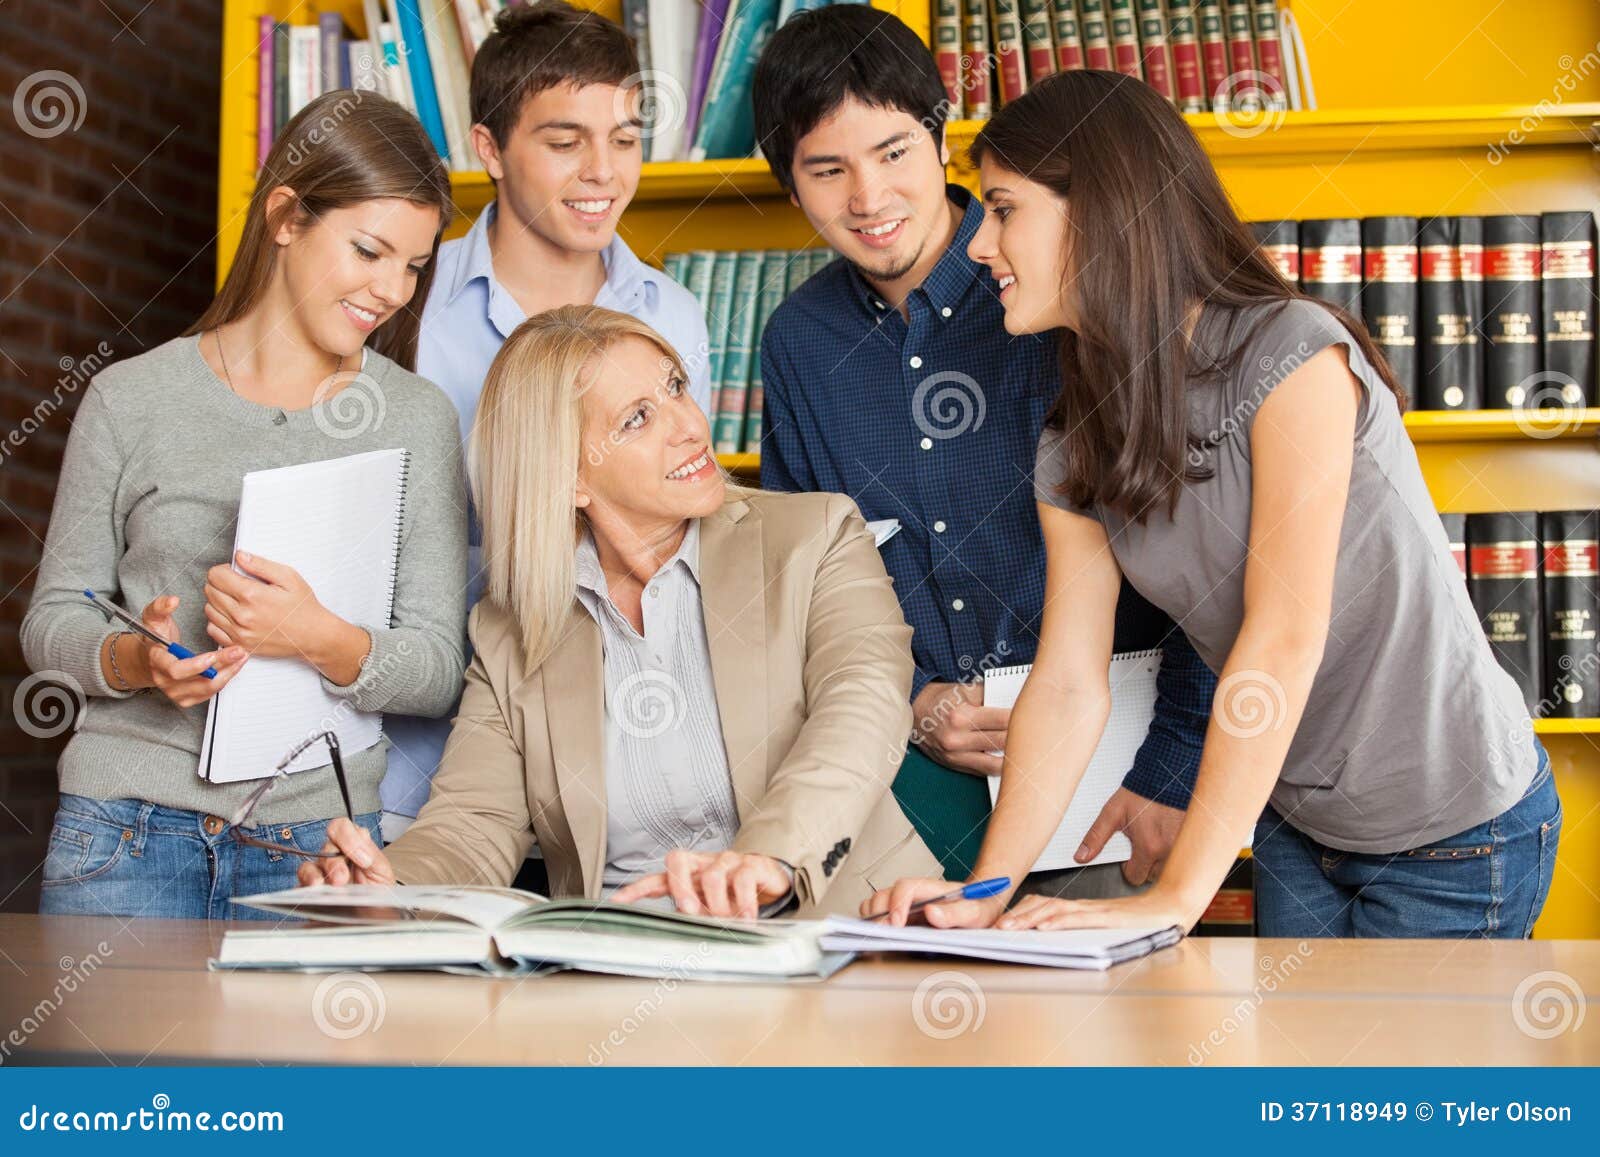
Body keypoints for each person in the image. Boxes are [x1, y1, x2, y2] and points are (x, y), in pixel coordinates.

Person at [867, 70, 1562, 939]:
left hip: (1459, 830)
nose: (977, 245)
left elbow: (1282, 636)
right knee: (1286, 1081)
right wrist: (985, 890)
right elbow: (1070, 681)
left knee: (1394, 1082)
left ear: (1102, 209)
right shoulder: (1075, 430)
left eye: (1004, 209)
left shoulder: (1294, 356)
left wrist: (1173, 898)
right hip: (1298, 823)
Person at [751, 6, 1215, 900]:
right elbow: (803, 586)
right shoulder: (799, 344)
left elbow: (1200, 560)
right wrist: (919, 699)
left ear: (940, 138)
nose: (868, 197)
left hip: (1119, 782)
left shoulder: (1063, 292)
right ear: (791, 184)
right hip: (908, 795)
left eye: (892, 152)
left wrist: (1171, 770)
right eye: (826, 170)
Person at [300, 306, 940, 918]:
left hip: (833, 932)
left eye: (676, 388)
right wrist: (389, 886)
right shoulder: (511, 626)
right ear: (569, 477)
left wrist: (765, 859)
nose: (690, 424)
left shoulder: (816, 535)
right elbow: (475, 823)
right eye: (637, 419)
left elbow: (863, 702)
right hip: (620, 964)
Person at [21, 91, 468, 920]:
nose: (392, 290)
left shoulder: (417, 419)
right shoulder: (132, 397)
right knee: (96, 1056)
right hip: (123, 825)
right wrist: (135, 661)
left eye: (413, 265)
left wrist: (317, 637)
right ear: (287, 217)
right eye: (369, 251)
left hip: (317, 844)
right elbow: (50, 624)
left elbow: (439, 668)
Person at [381, 0, 716, 836]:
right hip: (435, 759)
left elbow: (679, 537)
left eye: (627, 139)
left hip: (621, 763)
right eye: (565, 143)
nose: (603, 171)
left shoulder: (673, 317)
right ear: (489, 150)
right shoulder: (406, 305)